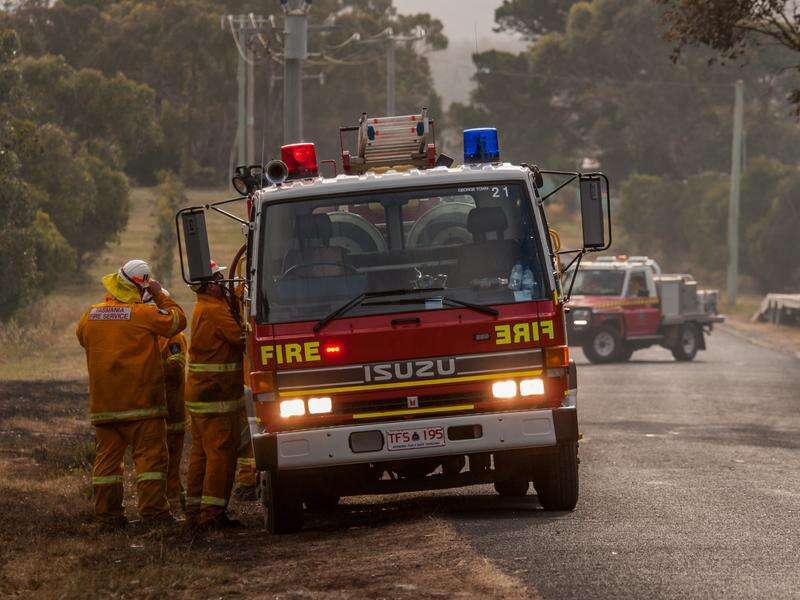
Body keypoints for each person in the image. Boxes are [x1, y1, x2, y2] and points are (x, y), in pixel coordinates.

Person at [76, 259, 186, 529]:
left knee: (106, 466)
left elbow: (83, 338)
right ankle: (154, 515)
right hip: (142, 406)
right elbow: (177, 321)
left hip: (105, 407)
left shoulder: (90, 315)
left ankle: (108, 517)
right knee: (150, 461)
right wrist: (159, 294)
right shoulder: (142, 314)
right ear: (142, 286)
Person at [185, 260, 246, 529]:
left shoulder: (203, 307)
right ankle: (212, 514)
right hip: (217, 396)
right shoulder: (215, 311)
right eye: (221, 279)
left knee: (201, 454)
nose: (225, 283)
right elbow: (242, 337)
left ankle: (195, 509)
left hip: (201, 394)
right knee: (221, 453)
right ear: (211, 285)